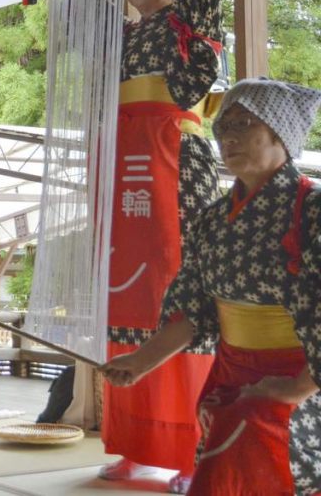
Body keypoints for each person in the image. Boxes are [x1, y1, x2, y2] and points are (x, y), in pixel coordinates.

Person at [34, 0, 222, 491]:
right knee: (123, 302)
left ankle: (193, 448)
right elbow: (80, 2)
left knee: (178, 300)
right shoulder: (120, 38)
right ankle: (134, 439)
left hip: (175, 178)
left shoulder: (187, 33)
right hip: (120, 179)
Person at [103, 78, 321, 495]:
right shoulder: (212, 219)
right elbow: (194, 307)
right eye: (223, 128)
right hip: (230, 376)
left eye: (243, 125)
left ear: (279, 132)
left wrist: (296, 388)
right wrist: (139, 362)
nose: (229, 137)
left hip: (304, 381)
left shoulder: (313, 209)